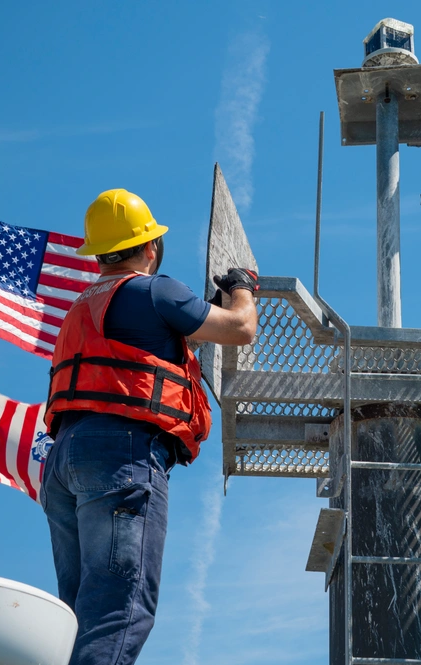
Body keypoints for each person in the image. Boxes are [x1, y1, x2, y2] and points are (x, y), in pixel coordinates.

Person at [39, 188, 258, 665]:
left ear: (99, 253)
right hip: (121, 455)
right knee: (121, 608)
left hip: (63, 460)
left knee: (79, 612)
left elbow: (145, 359)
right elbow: (240, 328)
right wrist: (241, 287)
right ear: (150, 246)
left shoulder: (82, 307)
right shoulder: (155, 290)